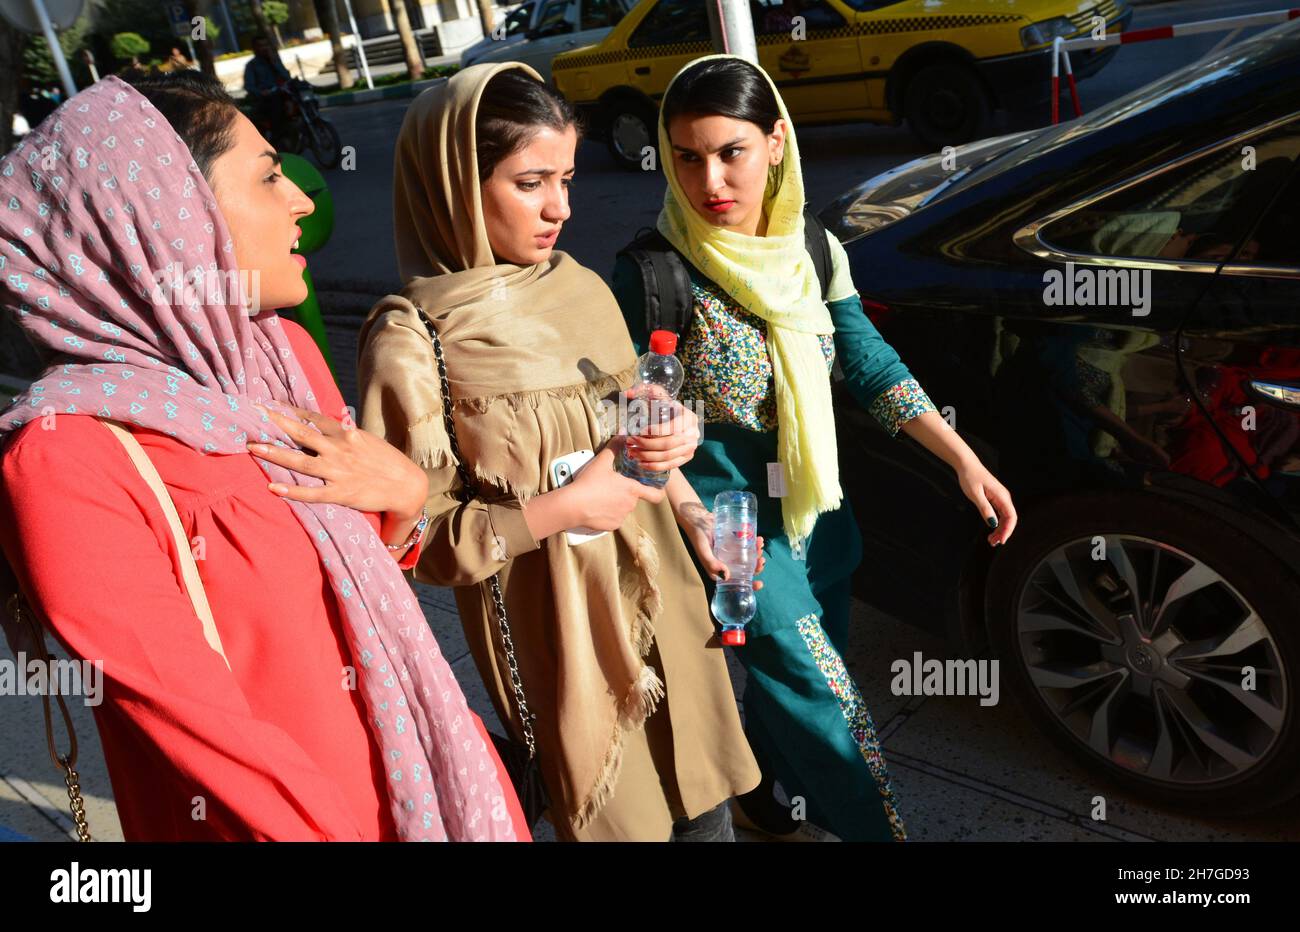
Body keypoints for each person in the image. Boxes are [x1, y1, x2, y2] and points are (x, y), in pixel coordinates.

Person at [0, 71, 527, 842]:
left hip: (426, 787)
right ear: (167, 217)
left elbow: (350, 580)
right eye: (269, 175)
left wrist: (407, 500)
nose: (303, 202)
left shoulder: (282, 358)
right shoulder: (64, 458)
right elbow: (203, 735)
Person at [612, 55, 1019, 841]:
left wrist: (962, 458)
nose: (710, 181)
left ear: (775, 142)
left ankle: (765, 803)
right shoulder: (653, 272)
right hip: (731, 536)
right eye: (687, 157)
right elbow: (623, 415)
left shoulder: (812, 247)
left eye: (731, 151)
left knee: (795, 681)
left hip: (819, 520)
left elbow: (866, 361)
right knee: (825, 695)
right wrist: (690, 511)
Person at [357, 62, 765, 842]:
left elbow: (631, 433)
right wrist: (558, 511)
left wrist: (682, 488)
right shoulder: (412, 342)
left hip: (669, 615)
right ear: (452, 183)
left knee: (710, 818)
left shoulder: (578, 287)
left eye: (568, 179)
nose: (560, 209)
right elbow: (407, 543)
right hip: (565, 650)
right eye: (530, 182)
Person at [243, 35, 291, 143]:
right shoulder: (252, 65)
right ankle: (277, 137)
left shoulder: (275, 60)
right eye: (260, 46)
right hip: (265, 99)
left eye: (266, 45)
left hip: (282, 94)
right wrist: (261, 92)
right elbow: (248, 86)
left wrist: (274, 62)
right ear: (255, 48)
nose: (264, 48)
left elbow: (287, 77)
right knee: (275, 103)